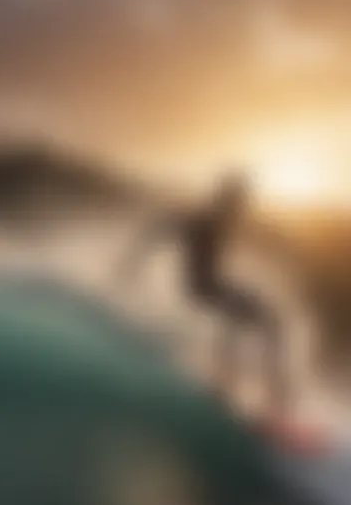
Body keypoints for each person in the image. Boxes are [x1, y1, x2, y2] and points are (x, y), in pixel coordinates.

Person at [117, 172, 288, 414]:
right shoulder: (204, 219)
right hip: (200, 286)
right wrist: (133, 261)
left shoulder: (220, 220)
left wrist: (134, 260)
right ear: (225, 198)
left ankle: (246, 391)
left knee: (262, 322)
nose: (240, 207)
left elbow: (163, 230)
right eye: (237, 201)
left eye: (241, 202)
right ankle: (236, 389)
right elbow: (163, 229)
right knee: (250, 321)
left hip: (213, 284)